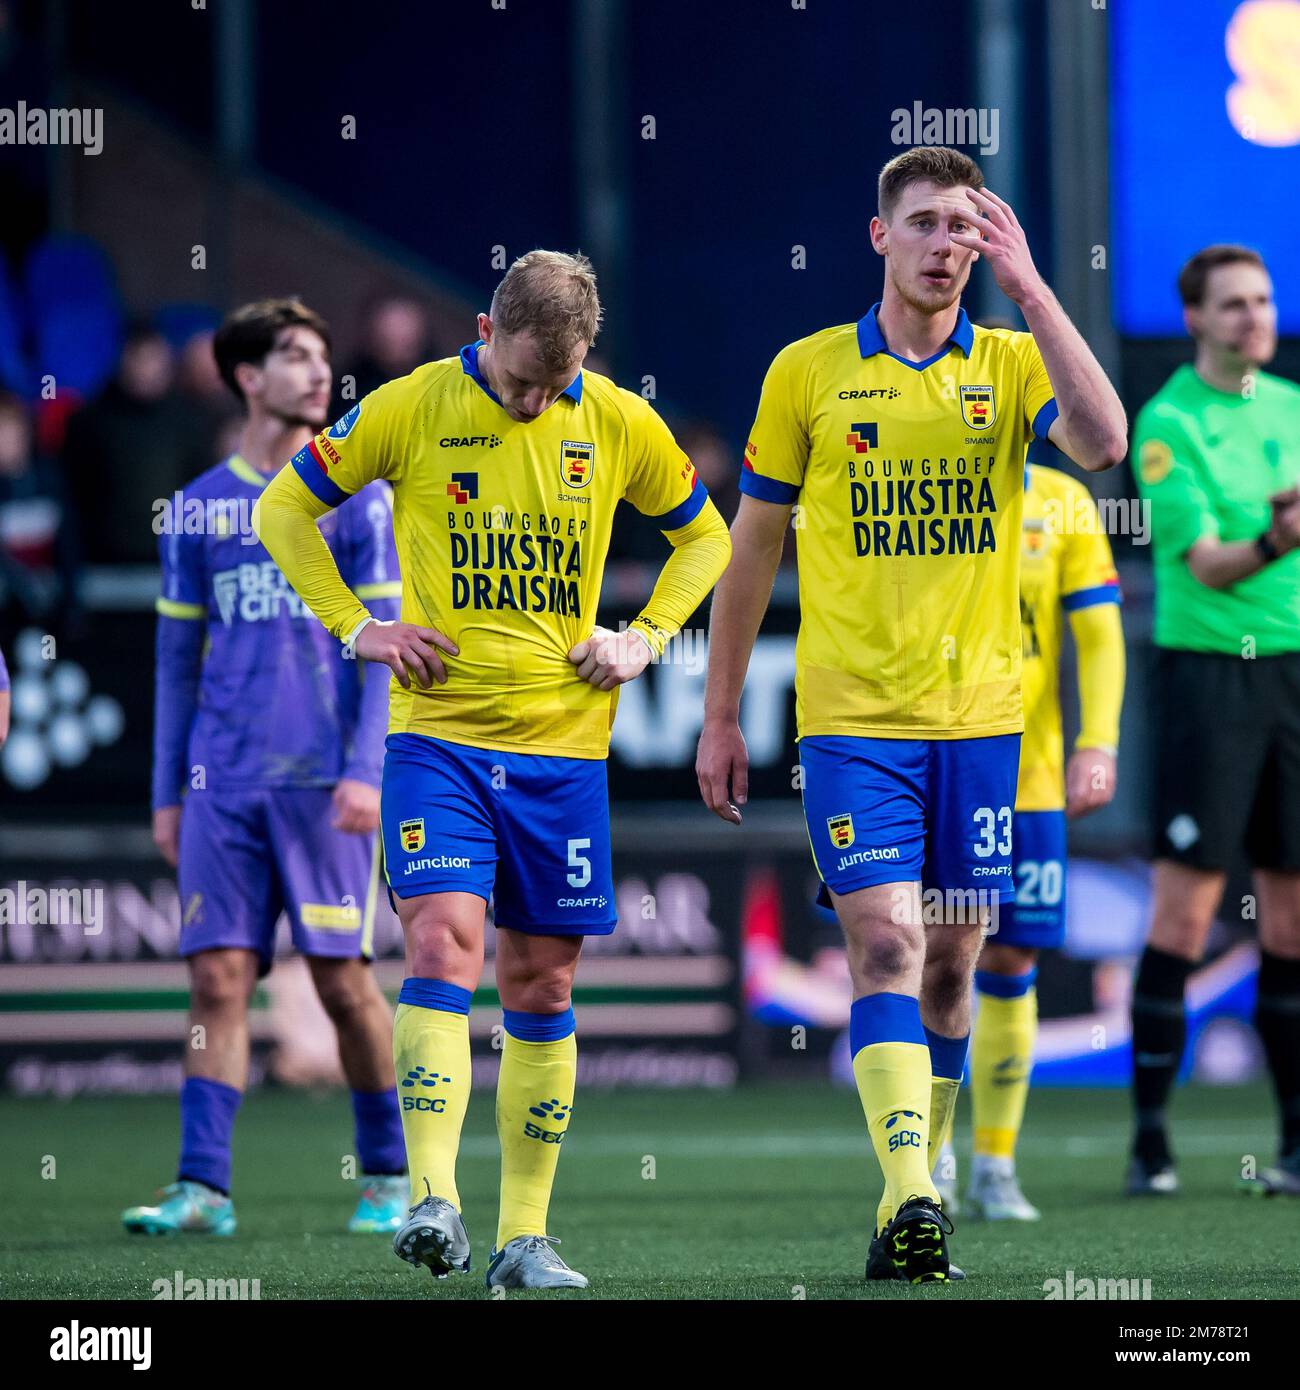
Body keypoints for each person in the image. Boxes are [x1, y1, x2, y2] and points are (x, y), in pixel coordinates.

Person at [254, 251, 731, 1290]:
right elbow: (280, 512)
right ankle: (431, 1198)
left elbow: (707, 539)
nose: (531, 399)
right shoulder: (407, 406)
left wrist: (645, 637)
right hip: (438, 739)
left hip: (563, 750)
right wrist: (357, 627)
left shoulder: (611, 418)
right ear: (482, 325)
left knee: (543, 976)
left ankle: (523, 1238)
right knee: (440, 940)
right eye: (518, 378)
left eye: (551, 384)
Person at [696, 145, 1125, 1284]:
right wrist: (721, 713)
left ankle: (918, 1183)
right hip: (851, 723)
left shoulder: (1014, 364)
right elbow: (748, 555)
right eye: (925, 223)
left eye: (965, 228)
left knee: (954, 962)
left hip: (984, 726)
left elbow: (1103, 442)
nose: (947, 245)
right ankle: (911, 1194)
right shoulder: (807, 373)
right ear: (878, 237)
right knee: (883, 943)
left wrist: (1034, 290)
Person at [123, 298, 408, 1239]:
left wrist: (366, 769)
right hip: (221, 786)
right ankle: (203, 1188)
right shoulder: (199, 508)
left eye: (323, 356)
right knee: (215, 983)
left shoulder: (360, 499)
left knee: (340, 983)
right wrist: (169, 794)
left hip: (324, 787)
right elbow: (173, 665)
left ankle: (388, 1176)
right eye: (294, 355)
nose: (317, 372)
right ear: (248, 377)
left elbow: (382, 650)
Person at [1129, 244, 1300, 1197]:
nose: (1253, 317)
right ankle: (1151, 1143)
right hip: (1209, 684)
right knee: (1186, 912)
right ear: (1194, 317)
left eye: (1264, 301)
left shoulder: (1293, 408)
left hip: (1294, 677)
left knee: (1291, 918)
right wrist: (1280, 533)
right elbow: (1204, 564)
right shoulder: (1167, 424)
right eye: (1233, 305)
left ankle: (1294, 1146)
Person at [939, 439, 1125, 1220]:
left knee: (1011, 955)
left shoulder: (1066, 502)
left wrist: (1100, 741)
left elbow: (1099, 632)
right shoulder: (929, 486)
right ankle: (929, 1161)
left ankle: (996, 1164)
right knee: (937, 958)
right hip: (937, 762)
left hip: (1033, 773)